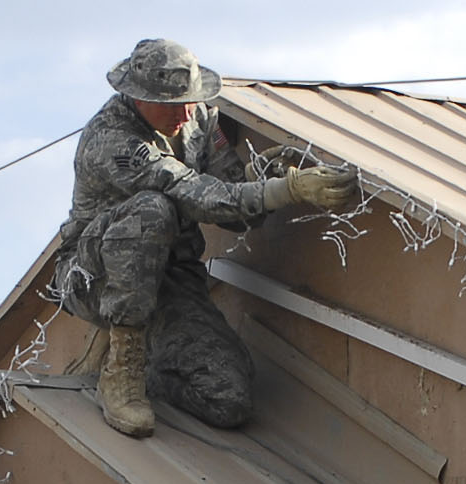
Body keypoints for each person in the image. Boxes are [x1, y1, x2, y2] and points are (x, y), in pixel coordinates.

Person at [54, 38, 360, 439]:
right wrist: (291, 190)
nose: (185, 111)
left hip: (169, 278)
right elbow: (196, 195)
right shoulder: (112, 141)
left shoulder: (198, 121)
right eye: (171, 102)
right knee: (153, 208)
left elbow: (230, 196)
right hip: (95, 275)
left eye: (190, 98)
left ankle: (146, 367)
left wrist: (272, 174)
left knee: (228, 398)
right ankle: (120, 370)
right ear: (138, 97)